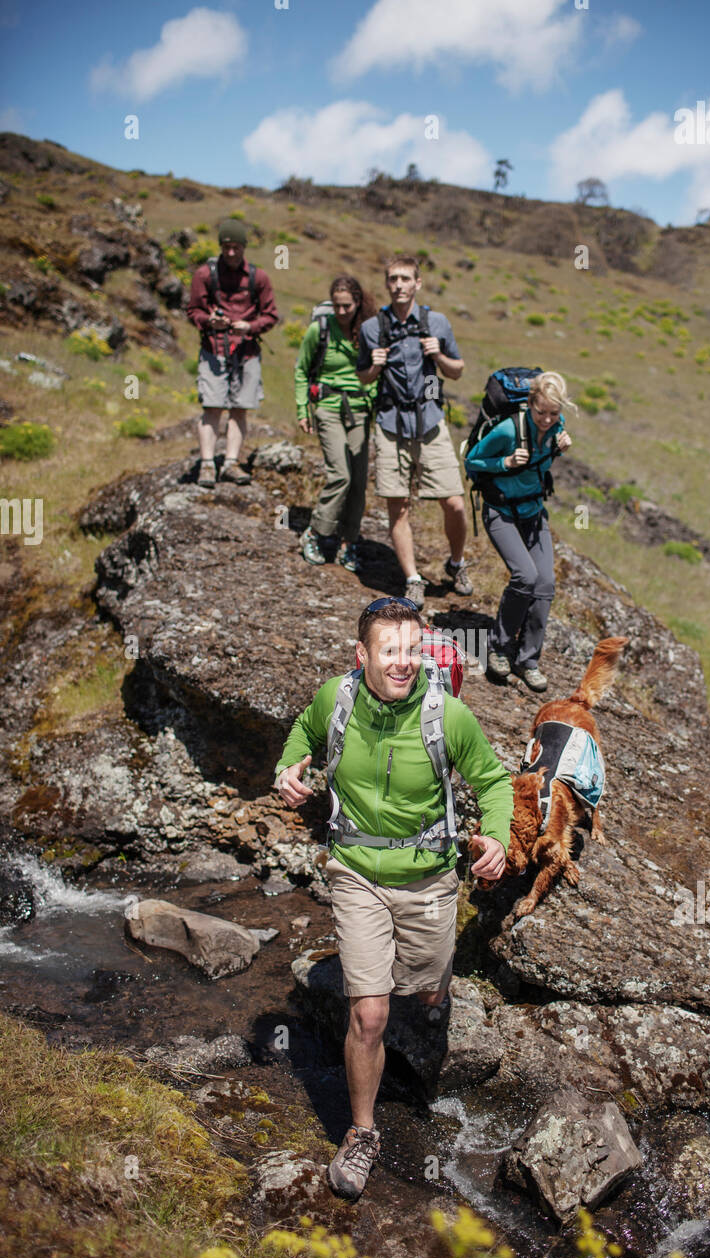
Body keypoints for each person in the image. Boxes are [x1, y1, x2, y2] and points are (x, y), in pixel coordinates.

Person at [274, 596, 513, 1199]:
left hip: (430, 878)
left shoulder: (447, 715)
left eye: (413, 649)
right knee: (371, 1014)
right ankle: (362, 1134)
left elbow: (492, 781)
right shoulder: (338, 699)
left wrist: (500, 840)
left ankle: (427, 989)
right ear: (363, 654)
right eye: (390, 651)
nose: (404, 663)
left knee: (428, 991)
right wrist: (289, 766)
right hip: (355, 870)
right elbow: (304, 730)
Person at [356, 257, 472, 609]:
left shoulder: (436, 322)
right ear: (387, 284)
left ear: (418, 283)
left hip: (430, 419)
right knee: (398, 504)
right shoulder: (371, 328)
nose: (399, 284)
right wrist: (374, 366)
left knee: (453, 501)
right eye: (393, 279)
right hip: (391, 422)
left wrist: (439, 356)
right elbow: (362, 377)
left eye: (406, 278)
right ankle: (413, 579)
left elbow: (457, 371)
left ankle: (456, 563)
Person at [464, 371, 575, 692]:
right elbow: (472, 459)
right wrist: (506, 462)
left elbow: (547, 456)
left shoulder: (557, 427)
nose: (547, 419)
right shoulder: (508, 429)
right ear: (531, 403)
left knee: (546, 583)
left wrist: (561, 446)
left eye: (554, 413)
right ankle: (498, 648)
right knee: (525, 576)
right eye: (541, 412)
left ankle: (528, 660)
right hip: (501, 511)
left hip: (533, 511)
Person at [294, 275, 378, 572]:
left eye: (348, 306)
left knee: (358, 479)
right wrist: (303, 408)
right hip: (328, 407)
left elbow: (374, 372)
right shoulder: (320, 330)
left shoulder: (367, 333)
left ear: (358, 303)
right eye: (337, 305)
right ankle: (316, 533)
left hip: (359, 409)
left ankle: (349, 542)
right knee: (340, 474)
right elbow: (302, 370)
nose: (342, 311)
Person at [186, 218, 278, 487]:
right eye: (226, 247)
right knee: (211, 406)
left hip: (247, 350)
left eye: (235, 247)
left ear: (244, 247)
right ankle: (206, 465)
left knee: (240, 408)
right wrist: (209, 322)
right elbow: (193, 310)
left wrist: (249, 326)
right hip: (214, 350)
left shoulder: (258, 277)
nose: (230, 252)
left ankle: (231, 463)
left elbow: (271, 315)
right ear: (220, 246)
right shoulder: (205, 275)